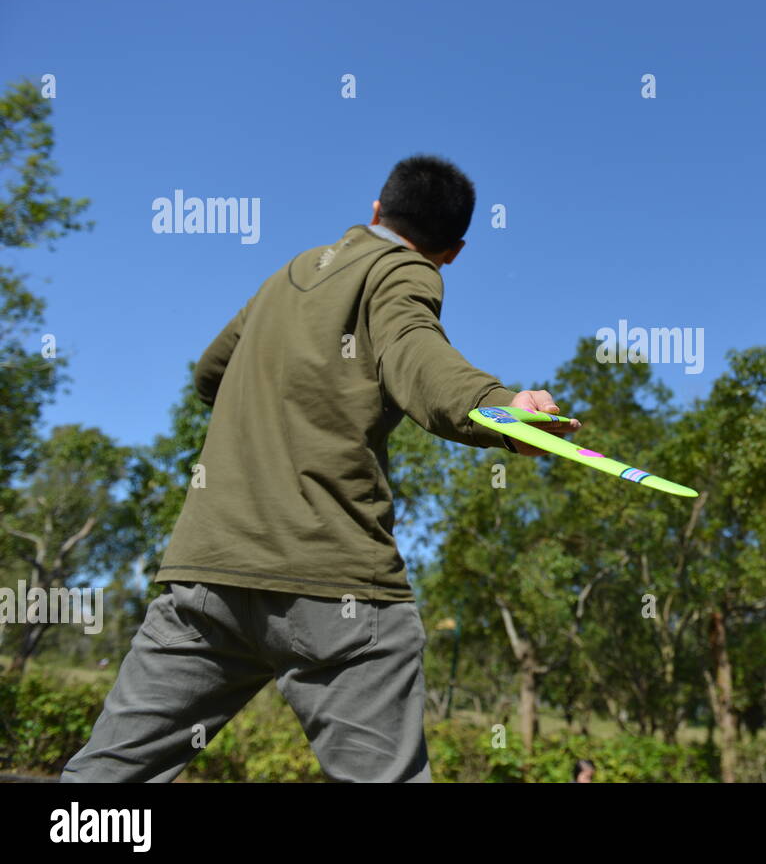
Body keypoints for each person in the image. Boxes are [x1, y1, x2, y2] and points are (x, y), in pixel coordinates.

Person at [61, 154, 579, 783]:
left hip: (208, 576)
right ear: (455, 251)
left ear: (375, 210)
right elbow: (414, 351)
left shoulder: (289, 274)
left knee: (103, 785)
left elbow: (208, 374)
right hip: (334, 588)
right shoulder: (405, 271)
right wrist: (498, 409)